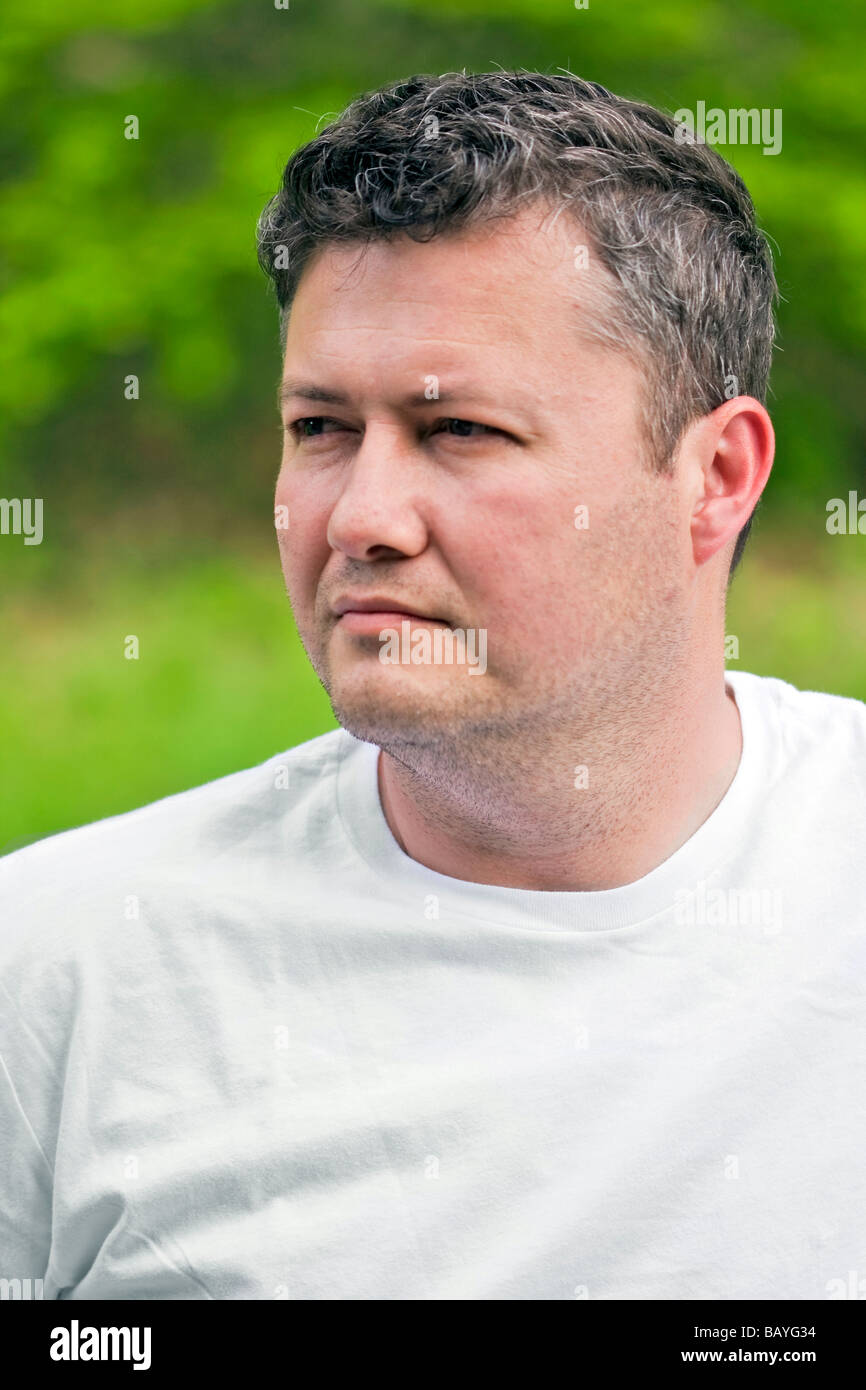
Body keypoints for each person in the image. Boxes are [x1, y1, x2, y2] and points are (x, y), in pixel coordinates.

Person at [1, 71, 863, 1302]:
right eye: (319, 429)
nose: (361, 518)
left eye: (458, 431)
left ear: (714, 474)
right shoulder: (60, 972)